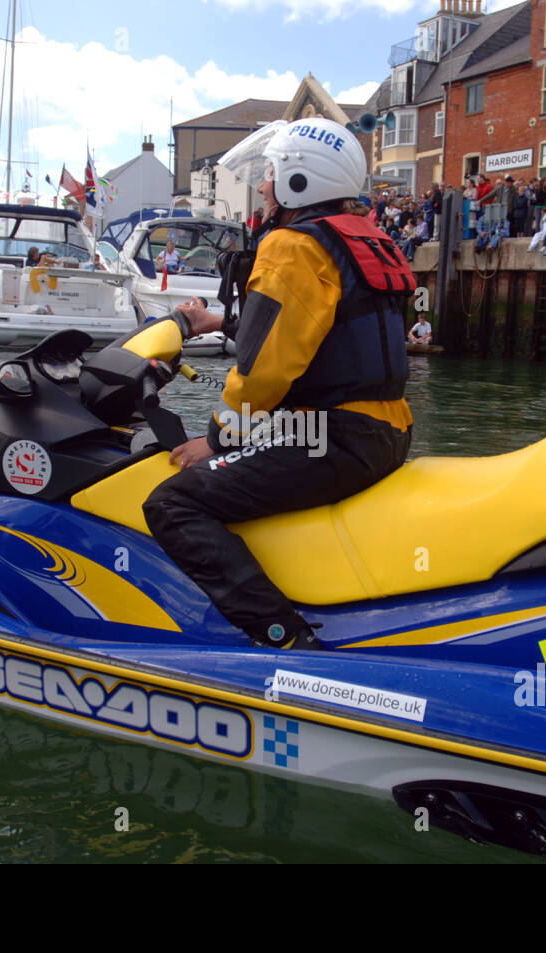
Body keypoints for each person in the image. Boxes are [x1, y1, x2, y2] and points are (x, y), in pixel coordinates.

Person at [141, 117, 412, 651]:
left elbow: (263, 371)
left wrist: (216, 439)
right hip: (385, 429)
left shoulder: (292, 246)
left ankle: (283, 639)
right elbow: (316, 333)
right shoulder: (360, 239)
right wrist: (222, 323)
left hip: (332, 438)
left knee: (172, 505)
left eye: (270, 173)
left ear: (299, 181)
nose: (262, 185)